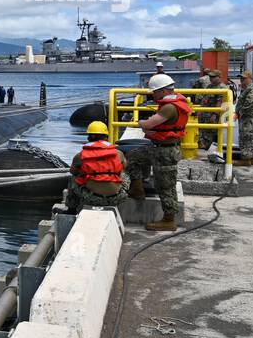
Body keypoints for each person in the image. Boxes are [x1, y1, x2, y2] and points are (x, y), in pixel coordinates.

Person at [124, 73, 190, 231]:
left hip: (165, 152)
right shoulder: (176, 102)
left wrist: (141, 123)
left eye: (154, 92)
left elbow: (150, 123)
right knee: (133, 157)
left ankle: (169, 220)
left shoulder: (169, 107)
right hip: (158, 147)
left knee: (165, 186)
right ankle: (137, 189)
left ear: (163, 91)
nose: (153, 95)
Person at [65, 121, 129, 214]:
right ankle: (137, 192)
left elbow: (73, 171)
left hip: (91, 198)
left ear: (88, 138)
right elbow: (124, 167)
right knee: (124, 173)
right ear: (106, 137)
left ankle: (71, 210)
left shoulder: (80, 155)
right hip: (117, 197)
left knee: (73, 179)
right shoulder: (118, 153)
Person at [236, 71, 253, 166]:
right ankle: (252, 158)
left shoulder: (251, 89)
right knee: (250, 138)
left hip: (248, 118)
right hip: (247, 117)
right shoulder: (247, 89)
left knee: (245, 138)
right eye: (241, 79)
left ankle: (246, 159)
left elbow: (249, 104)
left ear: (250, 79)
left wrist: (239, 112)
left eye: (244, 79)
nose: (242, 81)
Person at [196, 69, 223, 152]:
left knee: (210, 133)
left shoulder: (222, 88)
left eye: (213, 77)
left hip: (213, 115)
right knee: (202, 132)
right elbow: (204, 99)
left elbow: (220, 102)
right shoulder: (210, 86)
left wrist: (215, 114)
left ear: (219, 77)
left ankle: (207, 149)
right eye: (210, 76)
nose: (211, 78)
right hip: (205, 114)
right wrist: (200, 110)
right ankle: (203, 147)